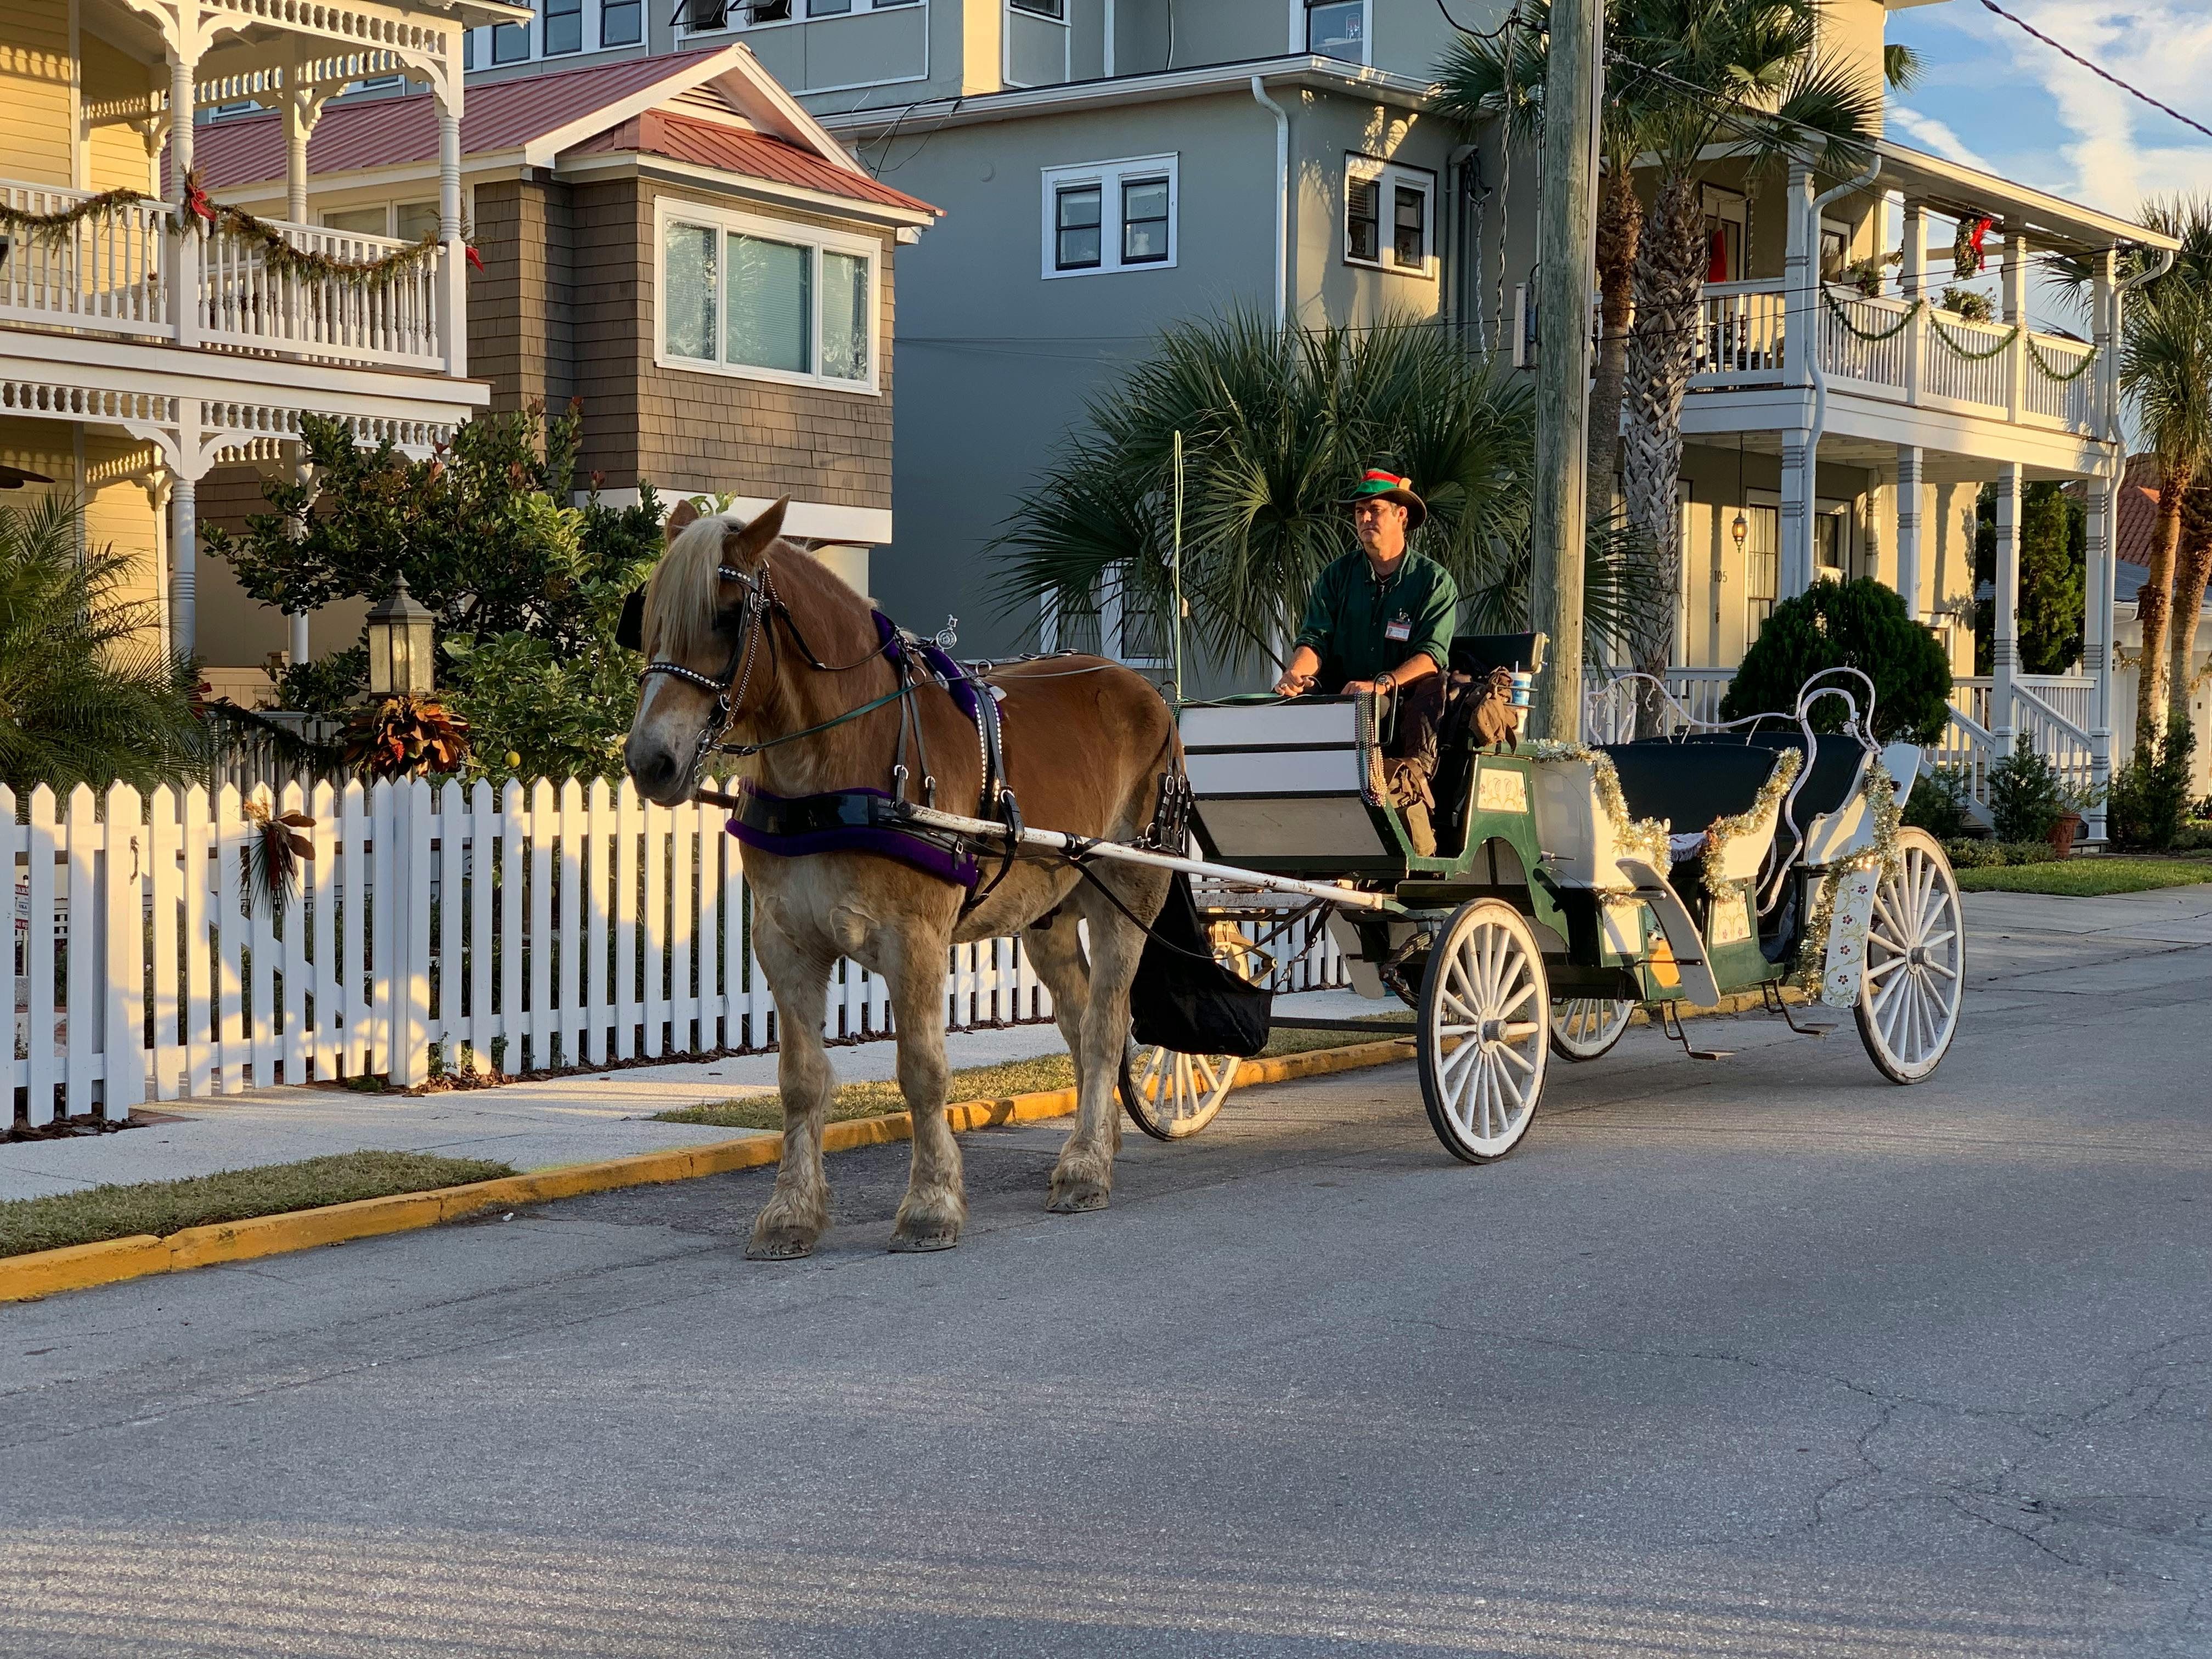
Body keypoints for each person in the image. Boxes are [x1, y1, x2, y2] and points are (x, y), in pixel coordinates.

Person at [1272, 468, 1459, 854]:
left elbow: (1430, 658)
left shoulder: (1433, 581)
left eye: (1375, 510)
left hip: (1404, 702)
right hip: (1344, 695)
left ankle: (1405, 802)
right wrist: (1295, 675)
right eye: (1359, 512)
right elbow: (1314, 643)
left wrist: (1381, 684)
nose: (1365, 519)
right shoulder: (1336, 576)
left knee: (1406, 693)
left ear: (1401, 517)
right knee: (1297, 706)